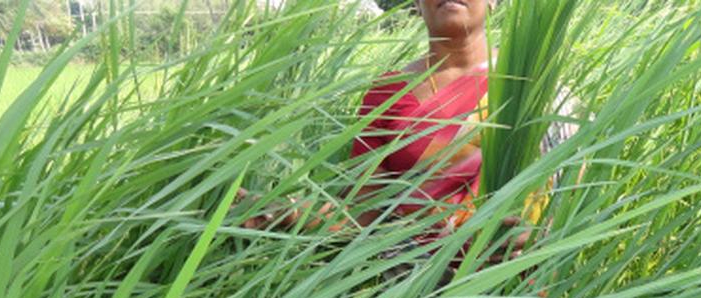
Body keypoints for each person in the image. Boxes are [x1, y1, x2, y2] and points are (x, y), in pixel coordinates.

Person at [241, 0, 575, 268]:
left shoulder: (532, 86)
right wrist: (288, 211)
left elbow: (572, 197)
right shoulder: (387, 93)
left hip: (511, 292)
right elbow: (361, 217)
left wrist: (537, 240)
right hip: (412, 295)